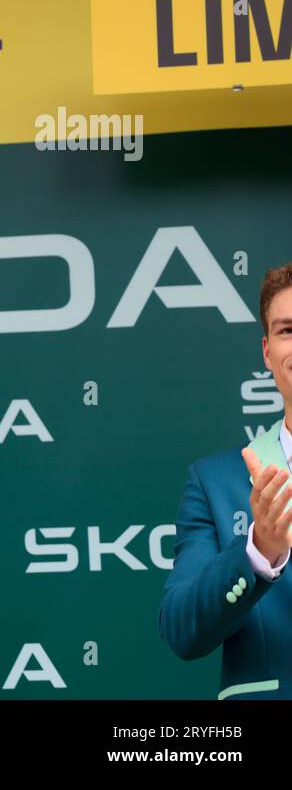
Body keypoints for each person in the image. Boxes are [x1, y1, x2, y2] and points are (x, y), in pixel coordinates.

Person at [160, 263, 292, 699]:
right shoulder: (215, 481)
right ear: (267, 351)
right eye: (287, 330)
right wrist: (258, 552)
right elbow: (181, 630)